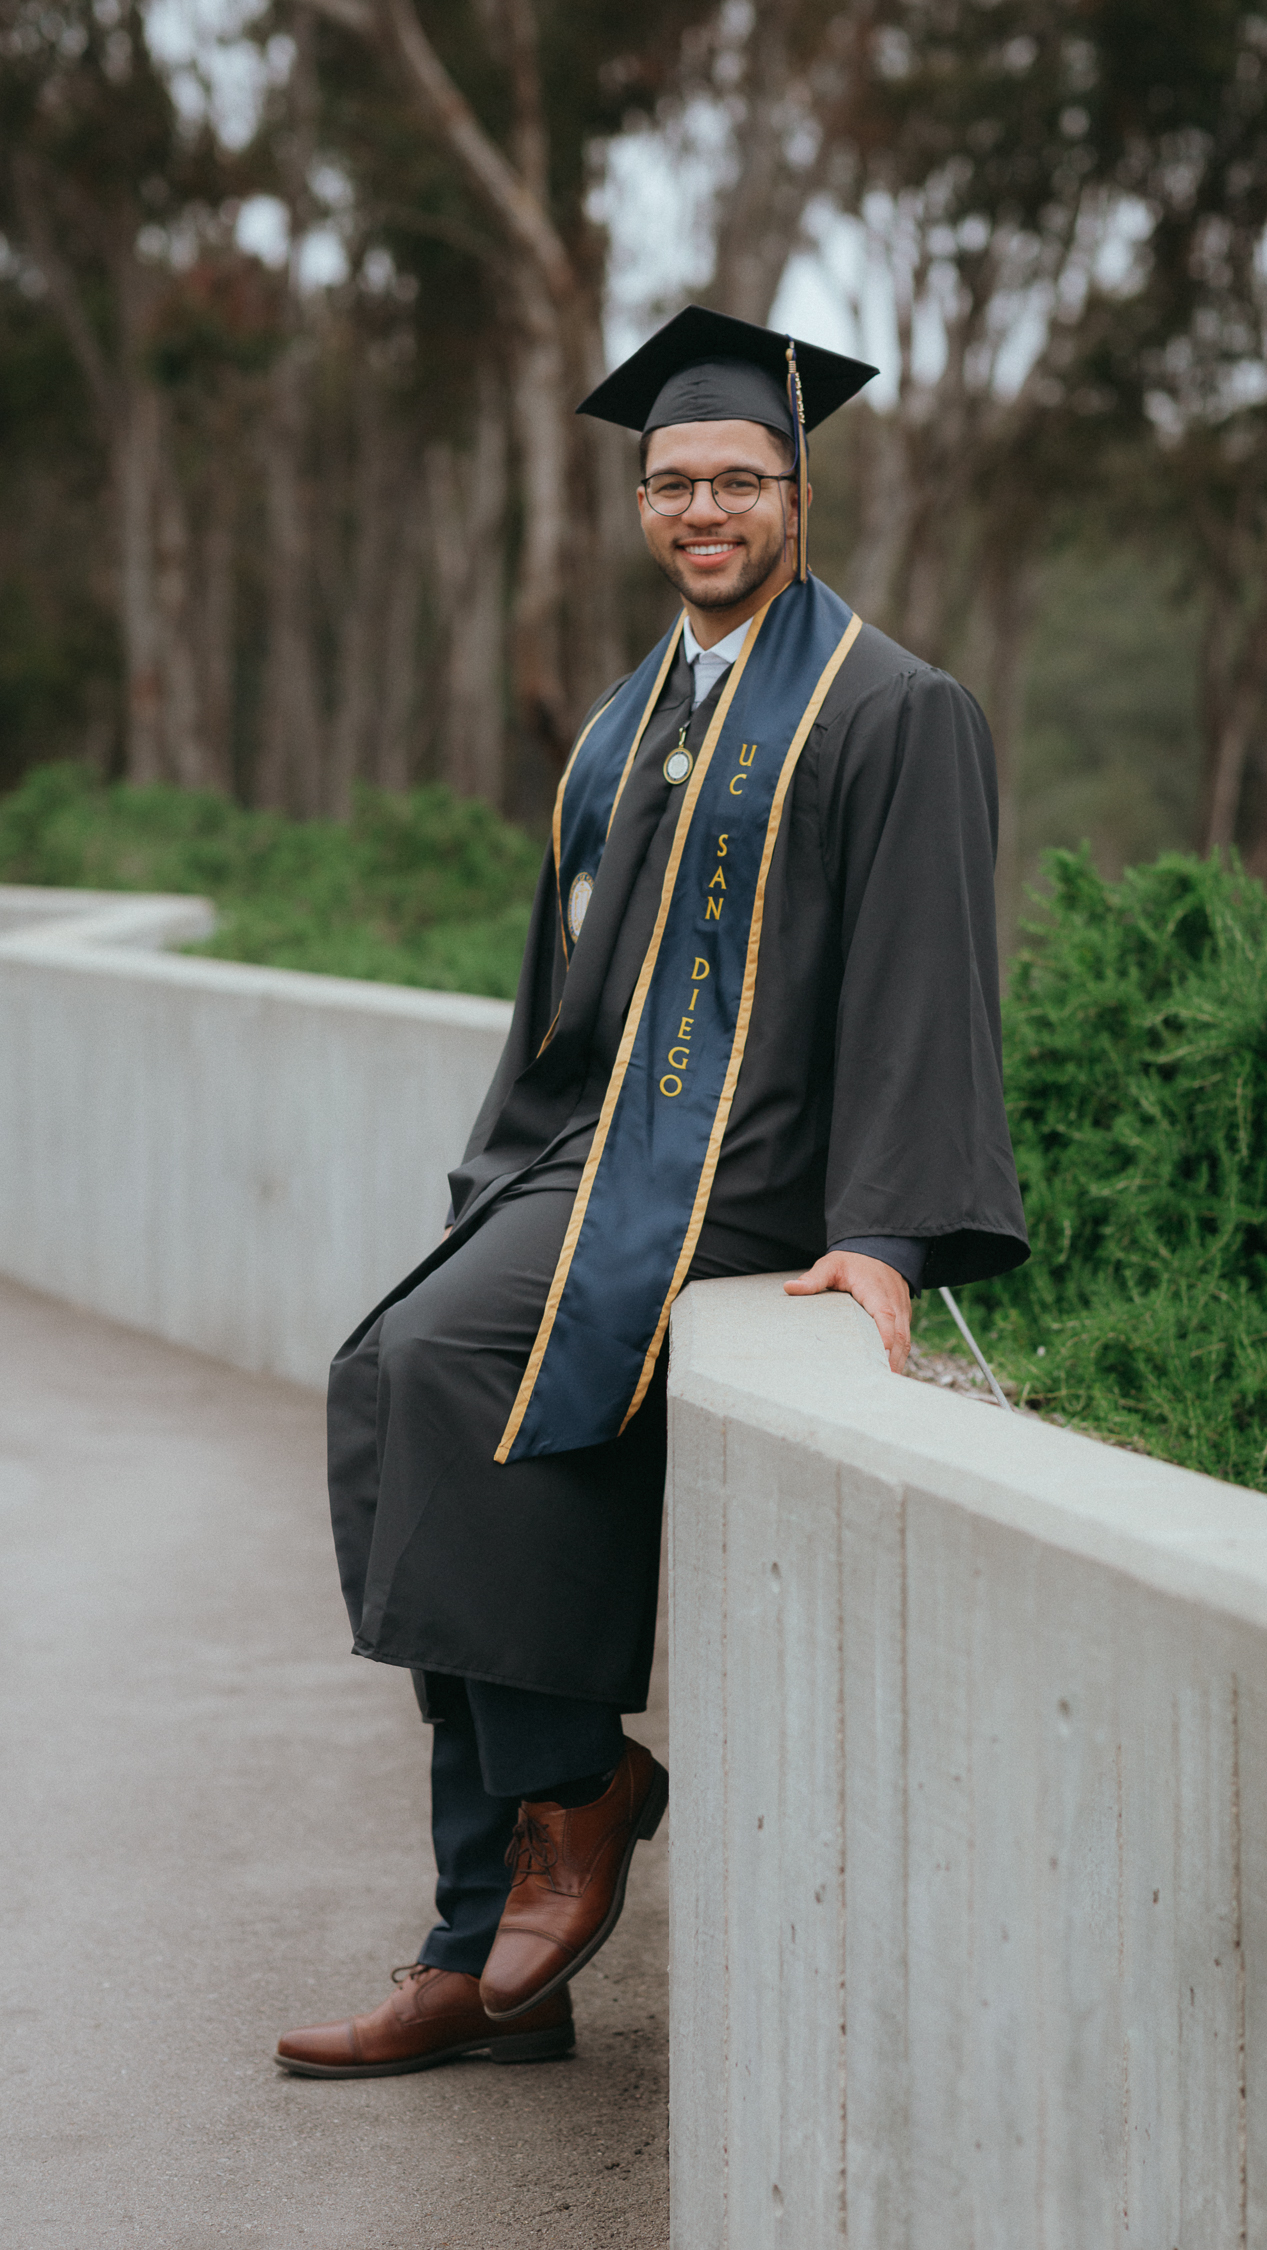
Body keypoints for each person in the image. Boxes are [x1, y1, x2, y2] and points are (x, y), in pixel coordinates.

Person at [275, 305, 1028, 2079]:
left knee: (461, 1364)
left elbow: (928, 980)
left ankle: (572, 1797)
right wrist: (500, 1175)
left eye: (737, 482)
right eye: (672, 482)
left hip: (752, 1181)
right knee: (389, 1377)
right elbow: (564, 1008)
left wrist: (887, 1236)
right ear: (640, 500)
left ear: (800, 488)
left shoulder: (889, 708)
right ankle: (488, 1951)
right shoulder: (626, 726)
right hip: (591, 1161)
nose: (704, 509)